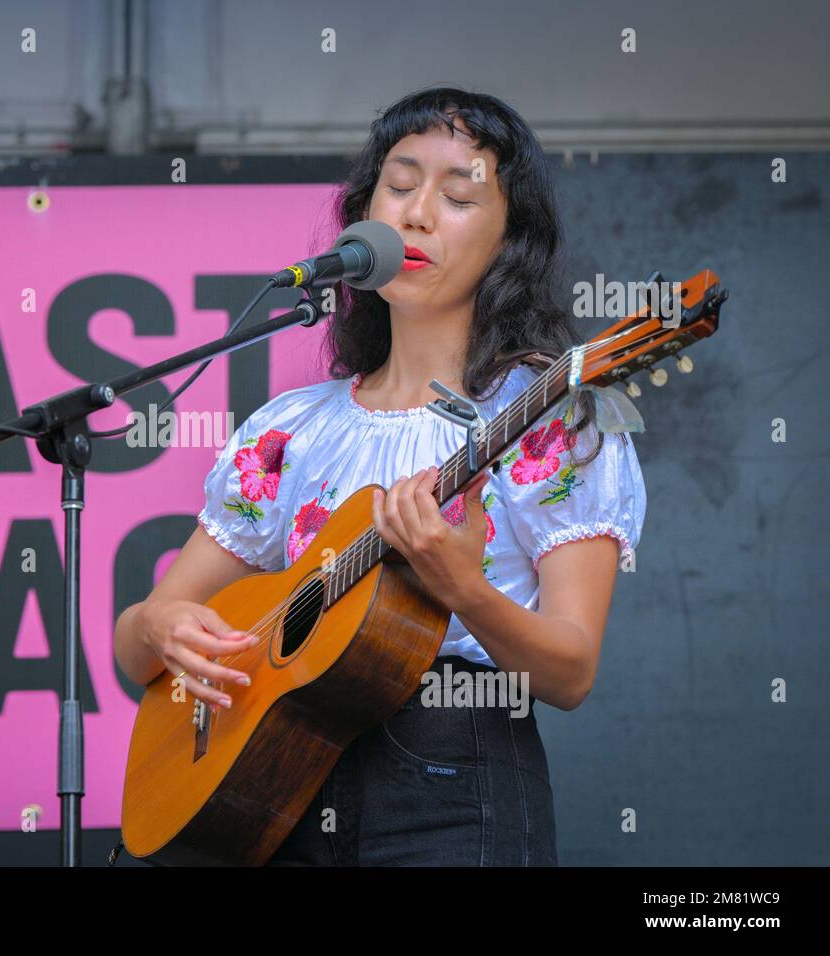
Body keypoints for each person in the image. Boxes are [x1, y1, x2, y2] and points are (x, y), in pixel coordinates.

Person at [112, 87, 646, 866]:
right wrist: (158, 627)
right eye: (398, 187)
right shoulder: (289, 431)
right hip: (280, 778)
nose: (418, 214)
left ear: (510, 240)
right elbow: (138, 648)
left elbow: (570, 672)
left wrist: (463, 586)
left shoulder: (551, 419)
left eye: (459, 194)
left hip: (452, 777)